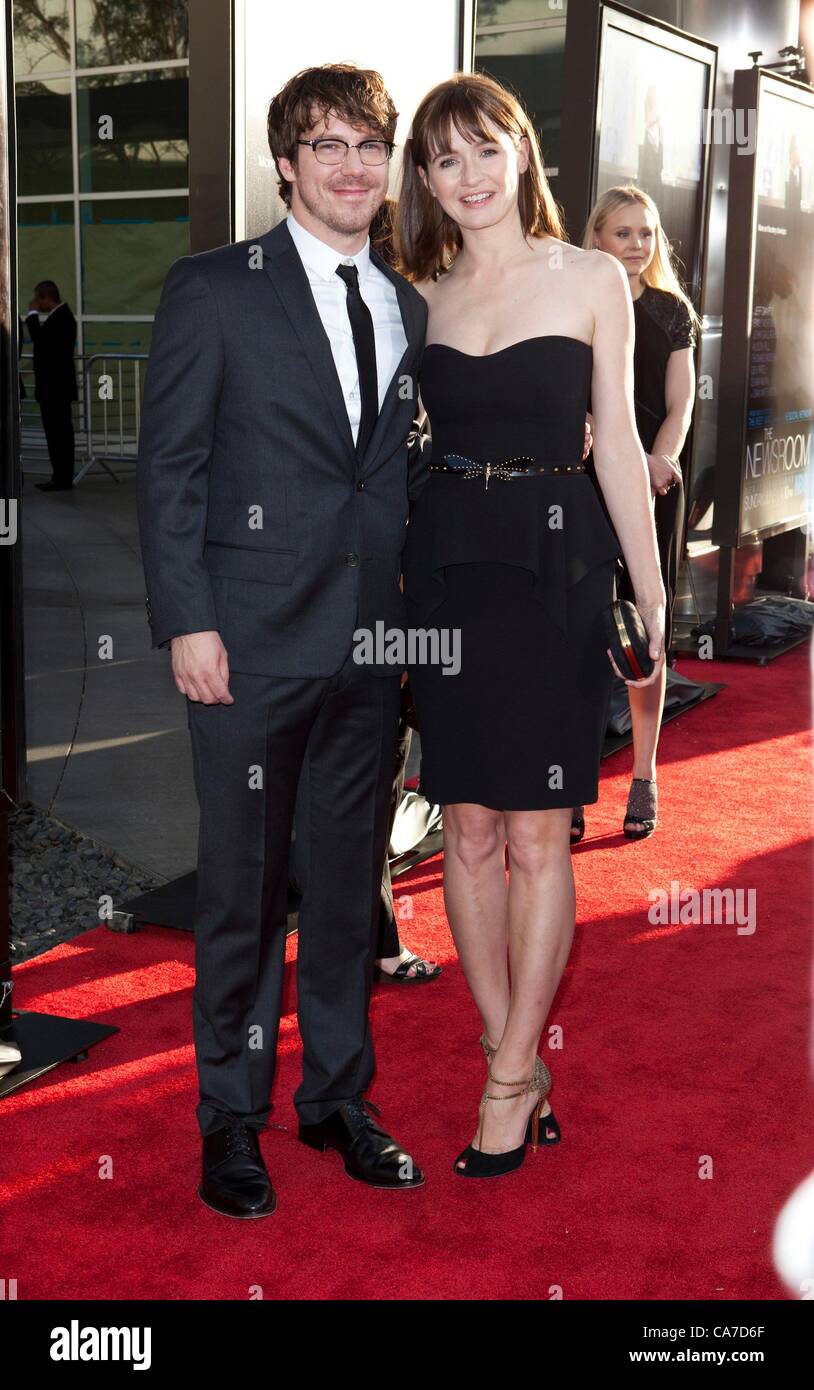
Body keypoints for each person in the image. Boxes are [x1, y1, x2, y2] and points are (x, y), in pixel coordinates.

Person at [137, 63, 429, 1218]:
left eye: (369, 147)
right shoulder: (216, 287)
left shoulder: (406, 303)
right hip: (246, 645)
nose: (352, 167)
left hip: (368, 648)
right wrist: (188, 620)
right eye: (327, 147)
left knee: (351, 890)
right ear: (285, 164)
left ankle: (337, 1100)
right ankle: (231, 1119)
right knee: (245, 896)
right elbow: (172, 471)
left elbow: (392, 478)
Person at [397, 73, 666, 1178]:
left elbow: (614, 446)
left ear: (520, 157)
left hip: (557, 565)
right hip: (449, 571)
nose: (468, 176)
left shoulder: (595, 276)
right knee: (463, 828)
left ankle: (509, 1075)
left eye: (484, 151)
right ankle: (511, 1052)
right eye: (444, 159)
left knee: (536, 832)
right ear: (425, 178)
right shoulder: (420, 295)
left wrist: (650, 593)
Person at [571, 186, 699, 843]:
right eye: (622, 232)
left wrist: (657, 459)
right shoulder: (575, 304)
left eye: (646, 233)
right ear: (596, 236)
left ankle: (643, 776)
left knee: (643, 634)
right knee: (578, 632)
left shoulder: (672, 312)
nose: (636, 245)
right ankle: (568, 782)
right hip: (580, 485)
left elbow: (680, 403)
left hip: (652, 484)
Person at [23, 280, 77, 491]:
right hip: (56, 389)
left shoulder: (61, 317)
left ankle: (62, 478)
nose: (35, 303)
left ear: (46, 297)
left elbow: (41, 340)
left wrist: (33, 315)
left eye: (38, 299)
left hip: (55, 389)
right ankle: (60, 476)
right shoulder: (62, 317)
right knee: (58, 435)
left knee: (58, 435)